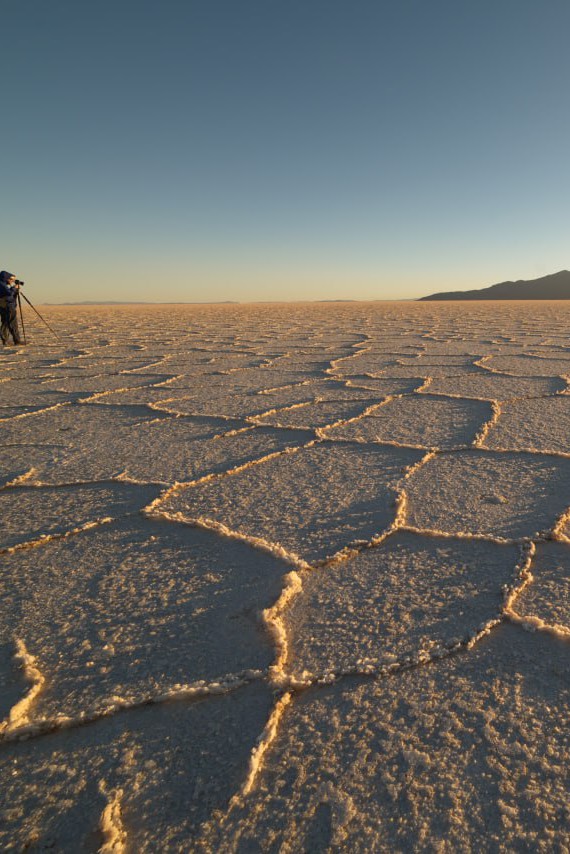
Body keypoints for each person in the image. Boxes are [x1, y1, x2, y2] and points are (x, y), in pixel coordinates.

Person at [0, 271, 23, 345]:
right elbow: (9, 294)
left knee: (5, 323)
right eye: (11, 279)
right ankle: (17, 341)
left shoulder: (3, 284)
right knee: (13, 323)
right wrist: (14, 288)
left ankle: (5, 341)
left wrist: (14, 290)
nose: (12, 281)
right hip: (8, 306)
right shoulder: (2, 285)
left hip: (3, 306)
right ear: (6, 278)